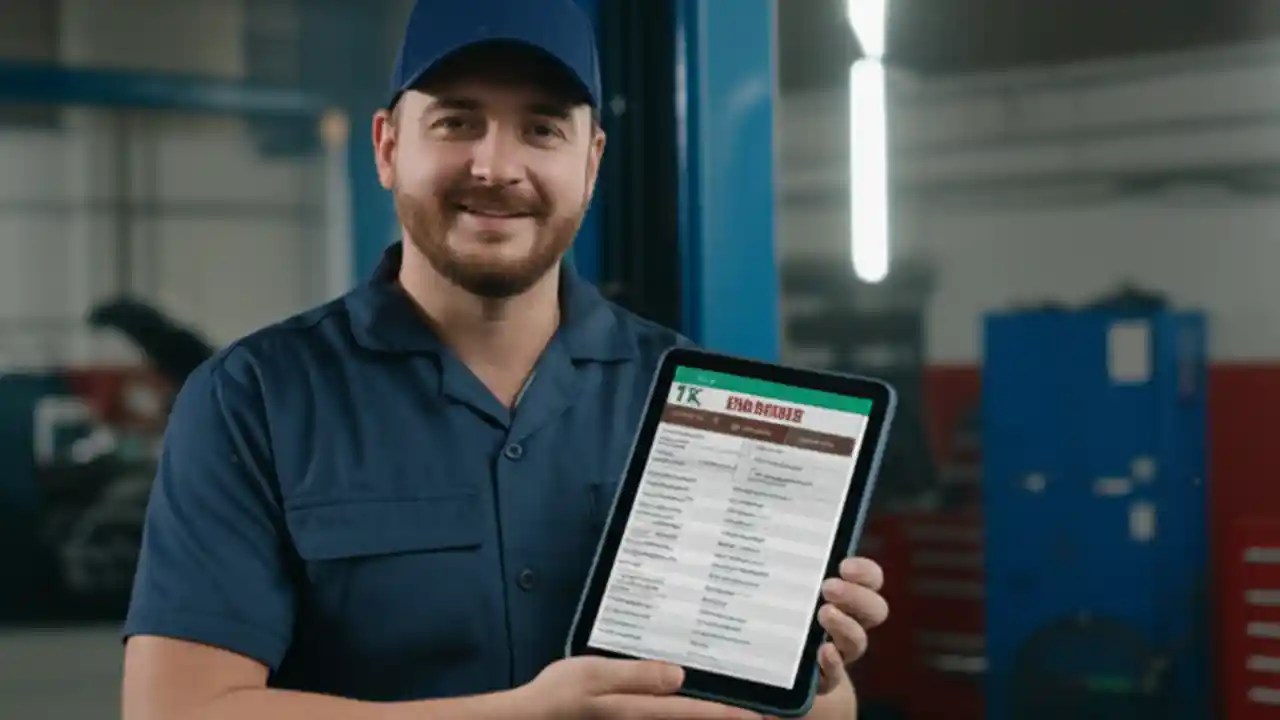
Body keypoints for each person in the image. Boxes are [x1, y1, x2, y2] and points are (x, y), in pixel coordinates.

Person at [120, 1, 889, 718]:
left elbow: (823, 712)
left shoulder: (699, 401)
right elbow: (179, 710)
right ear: (387, 148)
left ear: (591, 162)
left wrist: (814, 676)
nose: (495, 166)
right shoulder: (255, 398)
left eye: (542, 129)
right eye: (456, 122)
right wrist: (522, 715)